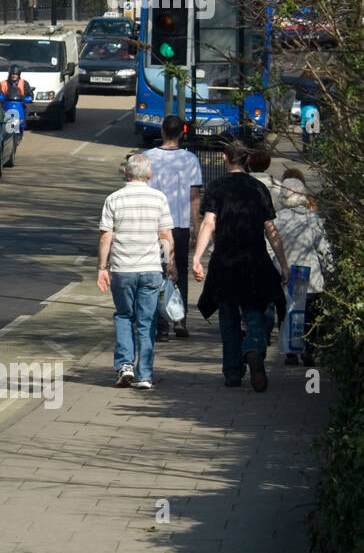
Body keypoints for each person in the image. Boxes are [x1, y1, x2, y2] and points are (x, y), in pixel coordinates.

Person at [193, 142, 289, 391]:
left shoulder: (216, 187)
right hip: (255, 260)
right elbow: (270, 229)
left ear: (225, 158)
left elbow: (209, 223)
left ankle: (233, 372)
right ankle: (254, 349)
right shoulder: (258, 188)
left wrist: (197, 257)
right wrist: (283, 263)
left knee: (228, 317)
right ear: (246, 160)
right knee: (254, 310)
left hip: (225, 261)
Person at [97, 153, 176, 390]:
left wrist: (102, 267)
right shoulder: (159, 198)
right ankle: (144, 375)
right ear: (149, 175)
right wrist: (170, 264)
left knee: (123, 315)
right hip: (151, 269)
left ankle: (124, 366)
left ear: (125, 173)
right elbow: (165, 236)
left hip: (122, 269)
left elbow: (106, 236)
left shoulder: (113, 199)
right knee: (146, 321)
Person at [142, 115, 202, 340]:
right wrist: (196, 226)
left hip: (154, 225)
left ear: (162, 131)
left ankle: (161, 326)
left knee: (157, 272)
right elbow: (194, 196)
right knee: (180, 273)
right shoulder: (190, 160)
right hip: (179, 224)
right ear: (181, 133)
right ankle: (179, 317)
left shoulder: (147, 158)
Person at [273, 177, 330, 366]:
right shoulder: (311, 218)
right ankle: (308, 348)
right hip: (309, 271)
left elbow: (270, 246)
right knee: (309, 313)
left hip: (286, 270)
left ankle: (290, 351)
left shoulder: (277, 219)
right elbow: (323, 247)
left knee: (287, 312)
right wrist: (330, 268)